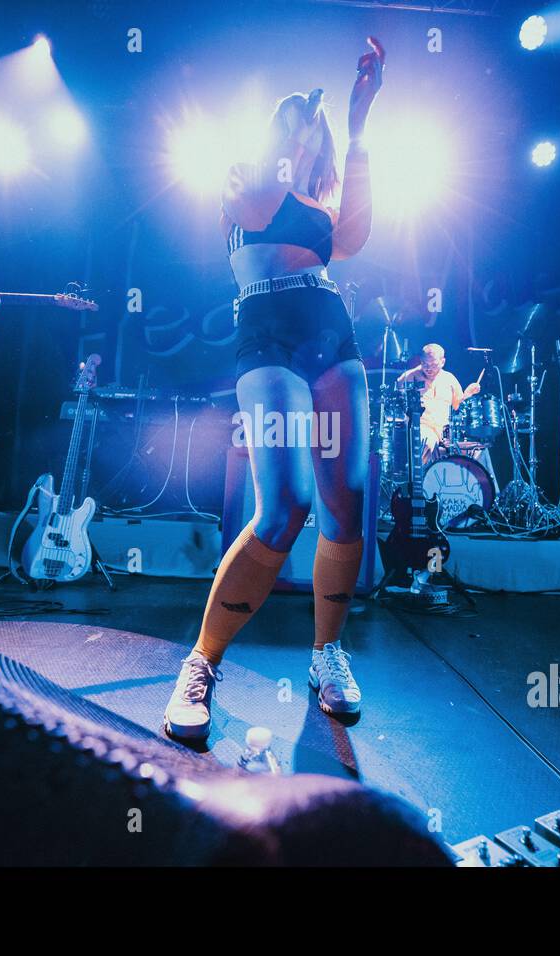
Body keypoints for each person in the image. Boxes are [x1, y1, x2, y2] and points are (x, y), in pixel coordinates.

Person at [163, 38, 386, 742]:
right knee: (283, 505)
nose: (305, 128)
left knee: (346, 504)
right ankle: (201, 662)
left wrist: (356, 129)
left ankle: (326, 655)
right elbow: (261, 203)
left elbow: (351, 240)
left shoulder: (322, 199)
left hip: (329, 327)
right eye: (296, 123)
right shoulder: (245, 177)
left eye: (307, 126)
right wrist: (291, 123)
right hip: (266, 330)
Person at [396, 343, 481, 463]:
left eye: (433, 365)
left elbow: (457, 405)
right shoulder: (409, 377)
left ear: (442, 362)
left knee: (475, 450)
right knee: (427, 444)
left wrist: (467, 394)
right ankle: (422, 479)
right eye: (425, 364)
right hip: (423, 428)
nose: (429, 368)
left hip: (446, 431)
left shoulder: (449, 379)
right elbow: (398, 405)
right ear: (420, 361)